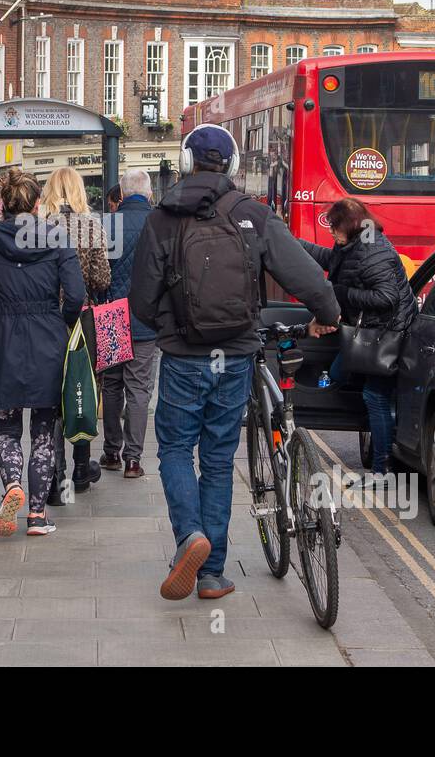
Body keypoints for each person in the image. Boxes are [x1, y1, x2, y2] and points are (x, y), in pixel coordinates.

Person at [130, 124, 341, 602]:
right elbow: (307, 277)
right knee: (220, 460)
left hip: (183, 356)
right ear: (232, 166)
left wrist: (170, 322)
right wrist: (326, 315)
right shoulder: (253, 214)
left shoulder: (162, 219)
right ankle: (212, 574)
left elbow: (140, 303)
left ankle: (190, 537)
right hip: (238, 353)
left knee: (176, 450)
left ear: (185, 163)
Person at [0, 171, 85, 537]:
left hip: (3, 336)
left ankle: (12, 487)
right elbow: (77, 294)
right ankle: (37, 515)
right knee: (42, 430)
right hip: (47, 339)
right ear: (38, 204)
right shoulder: (57, 237)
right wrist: (59, 322)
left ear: (2, 204)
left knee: (6, 425)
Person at [298, 198, 416, 482]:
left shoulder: (374, 251)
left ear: (349, 227)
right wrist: (293, 245)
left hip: (385, 334)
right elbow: (332, 261)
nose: (330, 231)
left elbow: (387, 297)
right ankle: (386, 425)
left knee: (374, 396)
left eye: (335, 227)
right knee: (338, 374)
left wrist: (341, 293)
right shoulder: (352, 245)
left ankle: (382, 469)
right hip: (369, 332)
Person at [40, 166, 111, 497]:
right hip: (83, 320)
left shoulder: (38, 227)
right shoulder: (91, 226)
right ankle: (82, 471)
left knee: (53, 398)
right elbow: (101, 279)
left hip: (47, 321)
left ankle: (57, 476)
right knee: (83, 390)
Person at [99, 169, 159, 478]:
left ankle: (111, 452)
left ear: (121, 195)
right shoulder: (159, 224)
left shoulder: (108, 223)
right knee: (139, 388)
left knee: (112, 385)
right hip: (147, 317)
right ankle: (133, 459)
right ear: (148, 194)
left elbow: (98, 274)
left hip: (111, 314)